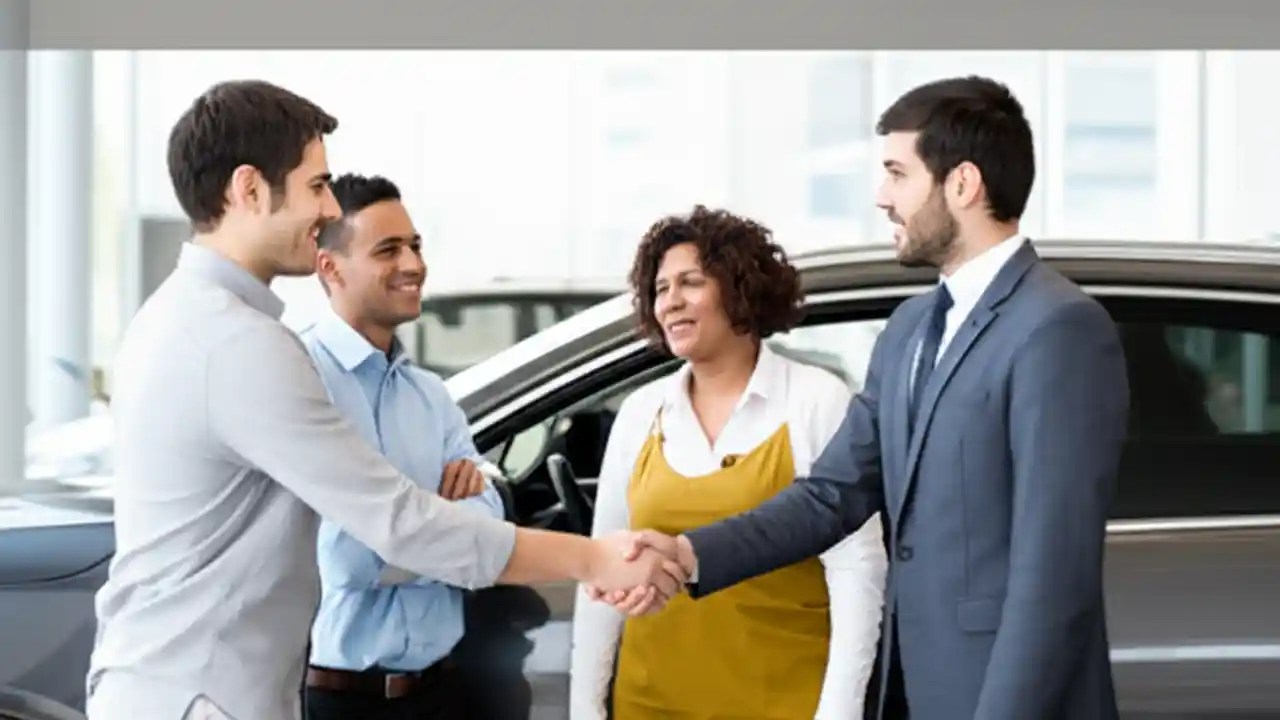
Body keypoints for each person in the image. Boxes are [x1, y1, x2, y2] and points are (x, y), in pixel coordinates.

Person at [84, 80, 683, 720]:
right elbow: (398, 527)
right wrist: (594, 557)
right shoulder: (238, 344)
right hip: (201, 696)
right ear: (249, 189)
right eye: (316, 185)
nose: (325, 210)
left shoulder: (177, 317)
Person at [610, 76, 1131, 720]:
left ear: (961, 184)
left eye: (897, 174)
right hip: (910, 692)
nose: (882, 198)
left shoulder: (1057, 328)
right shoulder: (910, 328)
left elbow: (1052, 576)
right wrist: (690, 553)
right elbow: (833, 493)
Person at [570, 206, 887, 719]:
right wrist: (585, 711)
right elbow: (601, 572)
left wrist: (839, 713)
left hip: (785, 700)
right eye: (660, 289)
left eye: (690, 283)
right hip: (651, 702)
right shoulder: (640, 413)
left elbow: (858, 570)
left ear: (741, 287)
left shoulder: (814, 399)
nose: (670, 301)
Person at [294, 173, 499, 719]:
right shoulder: (298, 379)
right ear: (330, 267)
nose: (413, 264)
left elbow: (490, 526)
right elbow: (341, 562)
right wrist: (446, 524)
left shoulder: (430, 395)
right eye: (389, 250)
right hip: (337, 700)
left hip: (439, 695)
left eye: (415, 246)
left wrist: (411, 533)